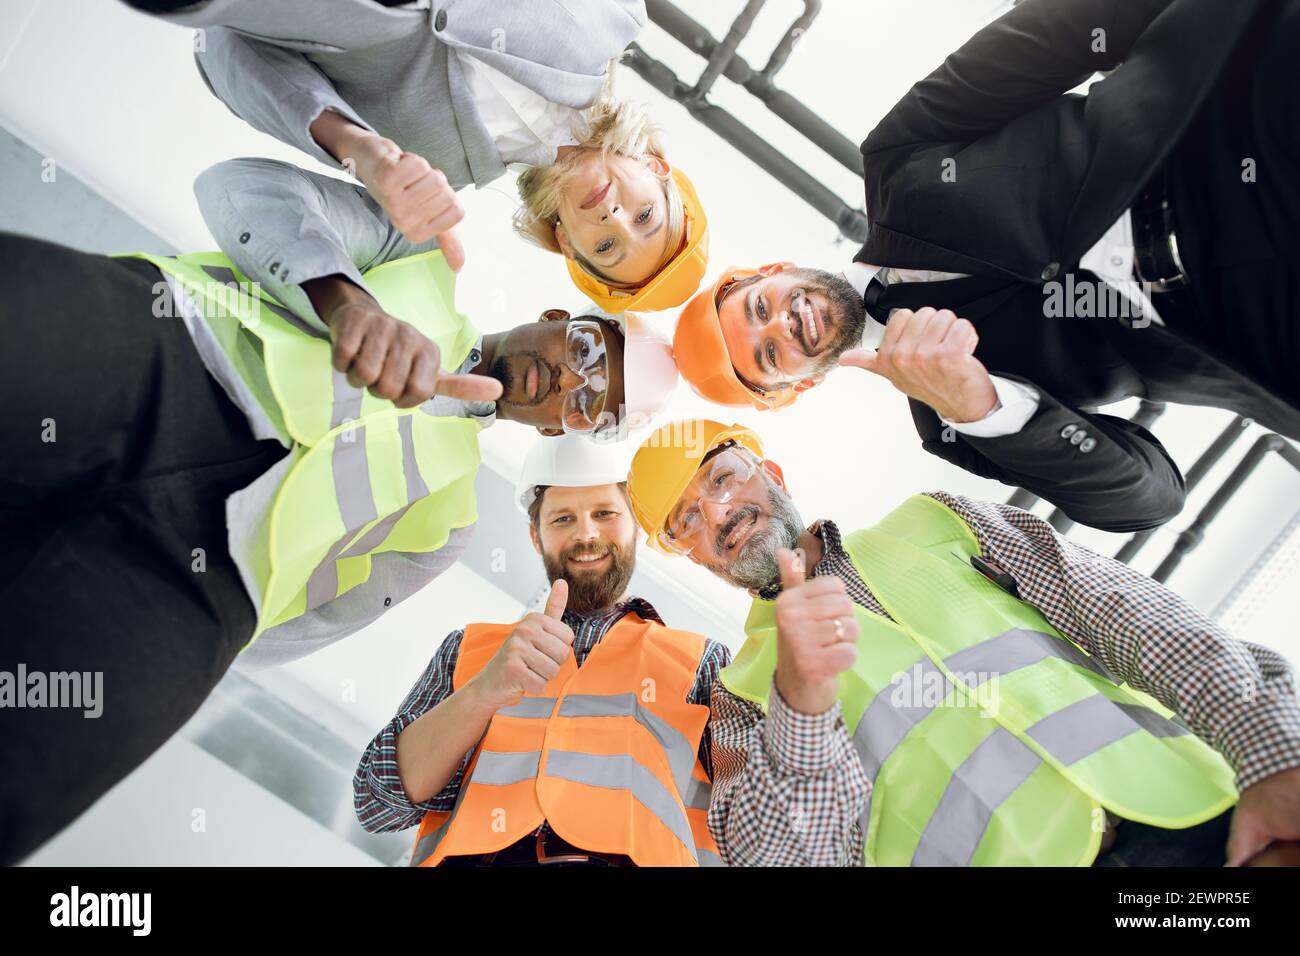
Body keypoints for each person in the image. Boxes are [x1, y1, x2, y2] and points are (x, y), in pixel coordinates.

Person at [0, 156, 678, 861]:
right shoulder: (416, 255)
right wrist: (347, 303)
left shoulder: (447, 528)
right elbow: (234, 189)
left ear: (557, 430)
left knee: (33, 755)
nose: (570, 378)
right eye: (585, 352)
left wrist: (211, 620)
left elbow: (295, 632)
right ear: (558, 318)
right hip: (171, 356)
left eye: (586, 403)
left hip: (196, 584)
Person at [672, 0, 1299, 533]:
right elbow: (1152, 496)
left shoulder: (898, 156)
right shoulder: (950, 424)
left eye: (759, 307)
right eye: (770, 356)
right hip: (1258, 329)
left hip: (1234, 120)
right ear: (797, 389)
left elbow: (1066, 29)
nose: (784, 324)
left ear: (775, 270)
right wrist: (981, 406)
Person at [624, 419, 1300, 866]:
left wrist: (1273, 756)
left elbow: (1133, 620)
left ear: (771, 471)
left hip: (1193, 816)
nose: (718, 513)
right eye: (687, 520)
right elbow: (781, 858)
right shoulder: (740, 696)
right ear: (693, 556)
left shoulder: (937, 522)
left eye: (722, 477)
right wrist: (800, 705)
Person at [118, 0, 709, 311]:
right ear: (656, 168)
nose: (615, 221)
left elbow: (222, 50)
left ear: (565, 239)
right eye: (645, 218)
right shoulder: (614, 13)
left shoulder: (421, 166)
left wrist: (355, 147)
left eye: (606, 247)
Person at [353, 436, 731, 866]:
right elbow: (377, 804)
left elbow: (758, 826)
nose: (586, 534)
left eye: (605, 514)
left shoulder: (703, 664)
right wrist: (484, 692)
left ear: (636, 526)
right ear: (536, 538)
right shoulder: (470, 651)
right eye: (563, 519)